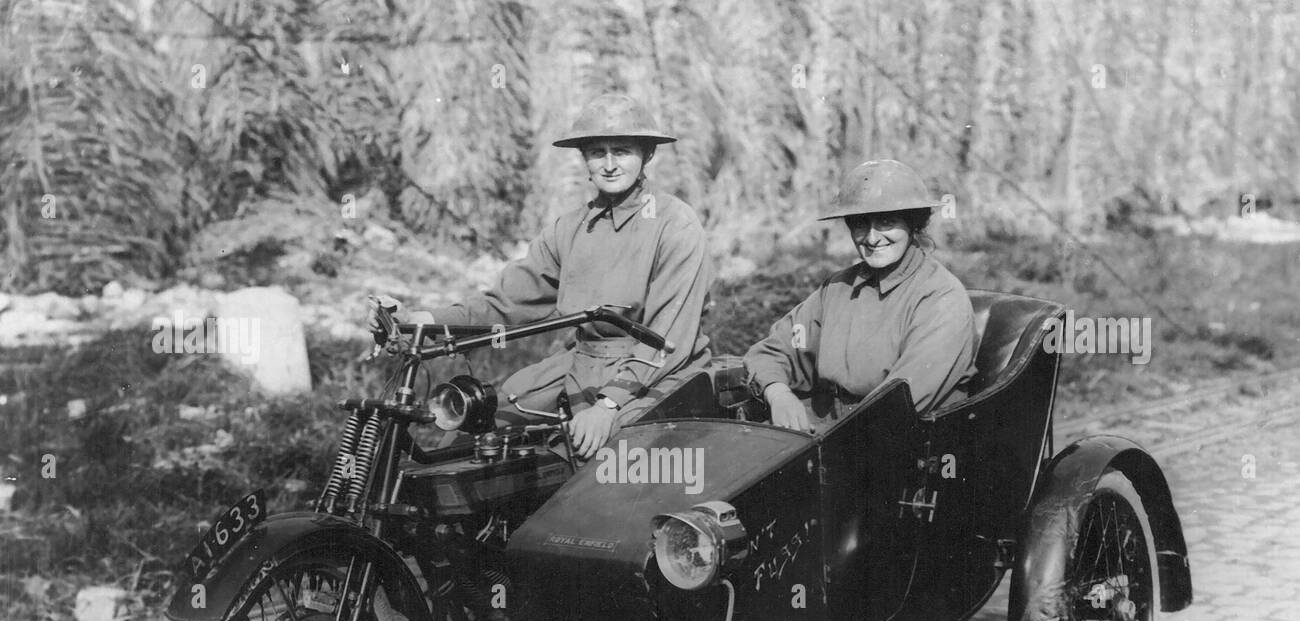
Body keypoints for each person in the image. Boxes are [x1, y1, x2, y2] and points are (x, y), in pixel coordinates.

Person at [370, 93, 713, 459]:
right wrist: (417, 321)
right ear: (584, 158)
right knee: (473, 433)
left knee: (588, 461)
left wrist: (607, 406)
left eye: (623, 151)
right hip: (581, 362)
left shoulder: (675, 224)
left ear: (647, 155)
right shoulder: (570, 229)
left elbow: (667, 340)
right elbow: (503, 305)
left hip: (658, 373)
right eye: (598, 152)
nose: (610, 164)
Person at [744, 159, 977, 431]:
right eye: (859, 224)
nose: (872, 238)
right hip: (835, 428)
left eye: (887, 222)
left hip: (904, 443)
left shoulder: (941, 298)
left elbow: (897, 406)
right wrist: (778, 394)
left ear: (914, 225)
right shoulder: (837, 290)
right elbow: (772, 351)